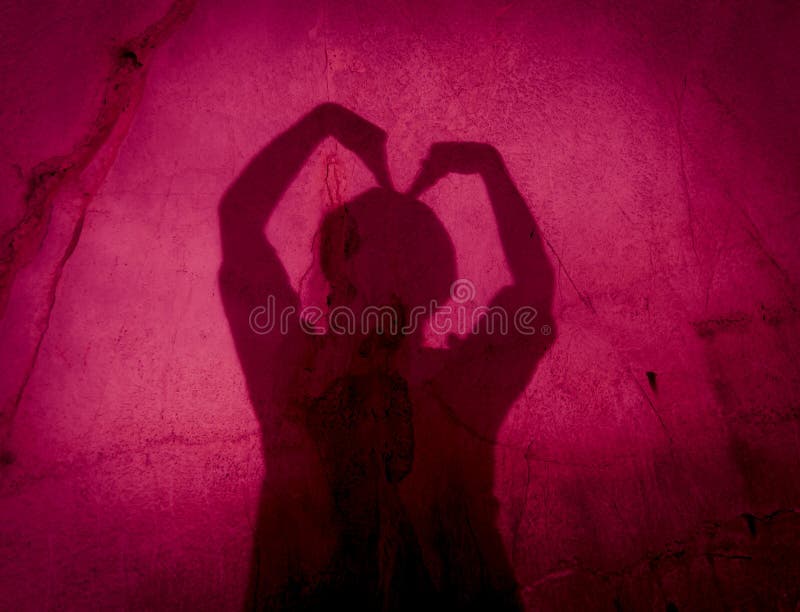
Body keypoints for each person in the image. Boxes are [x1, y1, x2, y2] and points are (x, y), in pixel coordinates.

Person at [218, 103, 555, 611]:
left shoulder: (432, 385)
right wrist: (490, 169)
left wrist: (323, 125)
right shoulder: (304, 367)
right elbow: (237, 223)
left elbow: (238, 223)